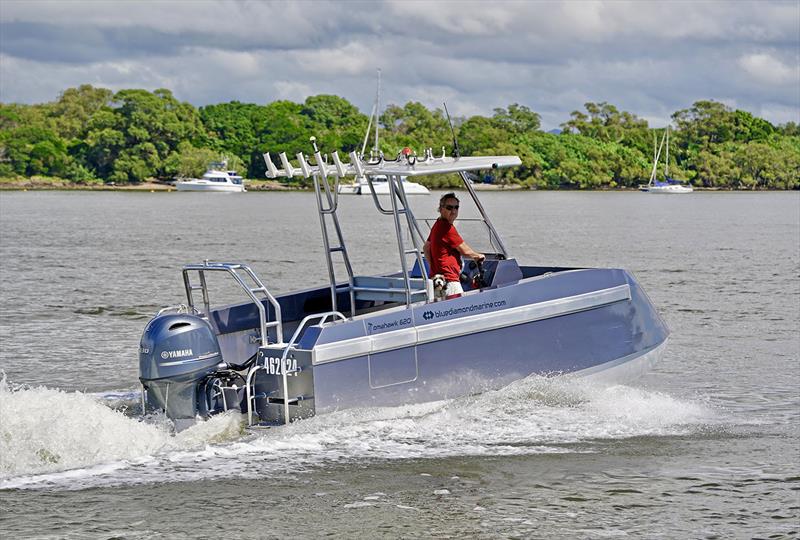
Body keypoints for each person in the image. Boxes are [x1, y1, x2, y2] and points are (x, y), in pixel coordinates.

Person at [423, 193, 485, 298]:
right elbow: (465, 251)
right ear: (441, 209)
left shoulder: (438, 224)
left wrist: (434, 266)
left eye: (456, 207)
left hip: (437, 280)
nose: (454, 211)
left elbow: (426, 248)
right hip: (449, 280)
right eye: (449, 207)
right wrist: (478, 256)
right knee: (459, 309)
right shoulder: (447, 228)